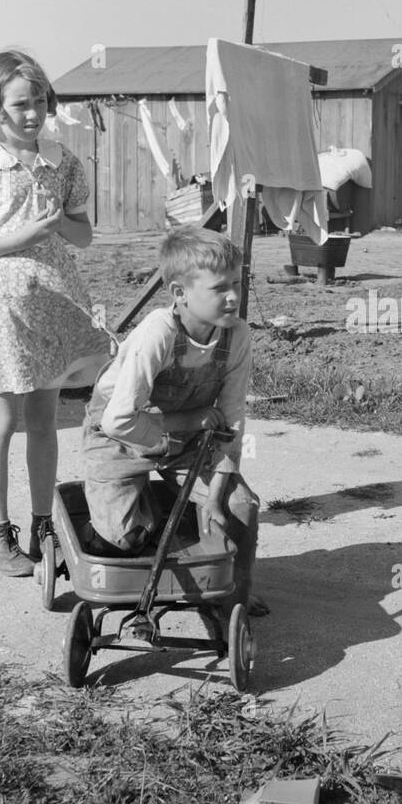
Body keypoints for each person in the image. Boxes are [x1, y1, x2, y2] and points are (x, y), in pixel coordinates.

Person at [0, 50, 114, 577]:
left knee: (45, 419)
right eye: (19, 104)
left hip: (56, 305)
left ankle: (46, 527)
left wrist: (58, 224)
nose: (33, 113)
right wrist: (24, 236)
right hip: (4, 312)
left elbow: (83, 236)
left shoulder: (62, 160)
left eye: (39, 101)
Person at [80, 227, 267, 616]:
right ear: (180, 294)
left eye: (237, 282)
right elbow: (118, 419)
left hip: (189, 440)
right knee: (125, 539)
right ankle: (140, 507)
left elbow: (231, 422)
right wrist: (185, 420)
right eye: (219, 288)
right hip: (119, 438)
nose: (233, 296)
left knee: (242, 506)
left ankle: (235, 595)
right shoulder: (158, 332)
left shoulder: (237, 337)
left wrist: (215, 495)